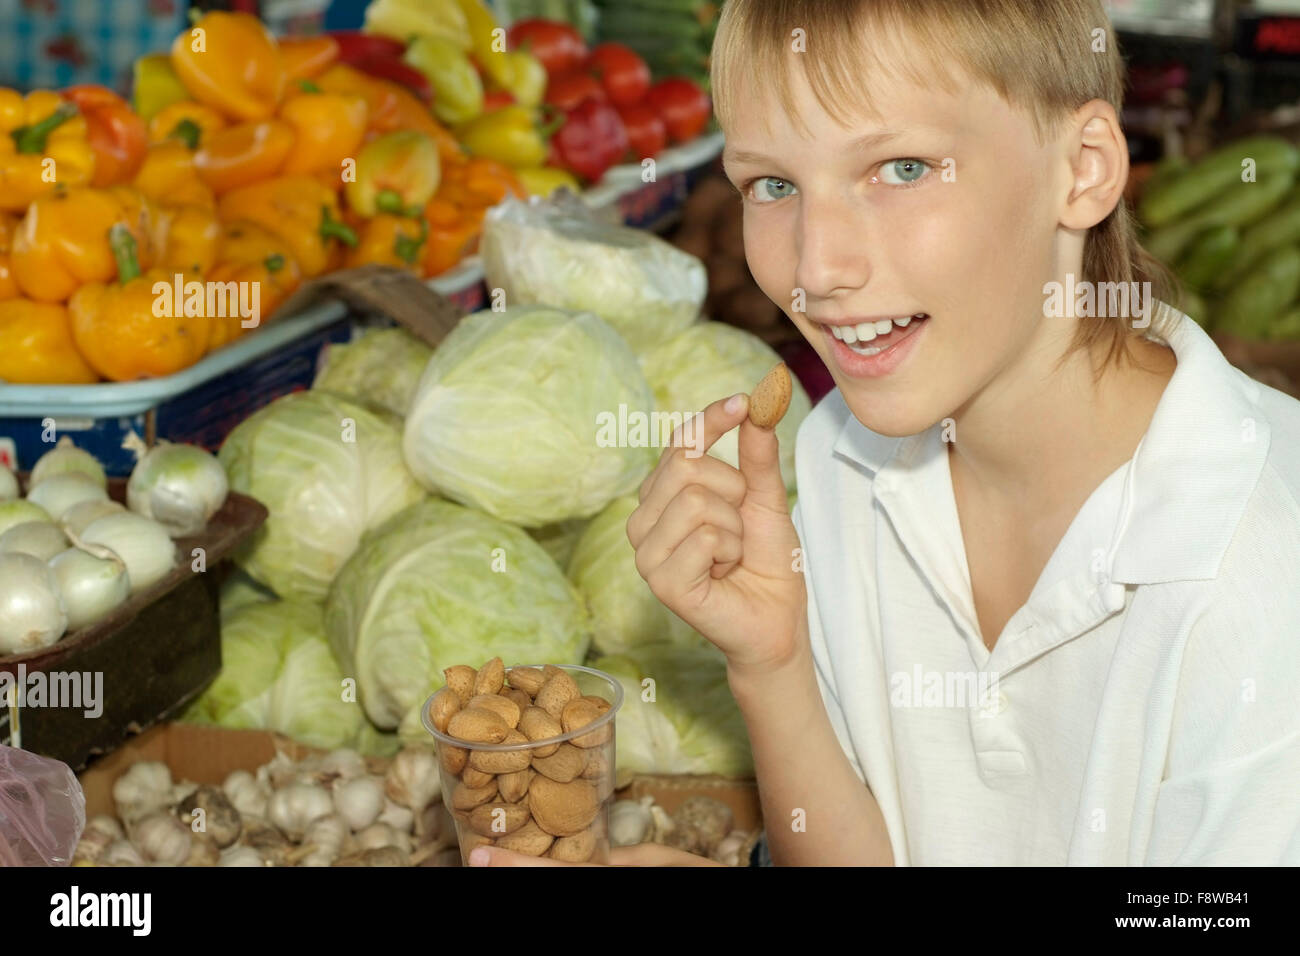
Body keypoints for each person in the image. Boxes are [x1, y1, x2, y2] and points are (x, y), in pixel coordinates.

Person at [471, 0, 1300, 867]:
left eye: (902, 167)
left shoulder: (1260, 563)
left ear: (1084, 169)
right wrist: (771, 664)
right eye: (774, 186)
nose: (818, 266)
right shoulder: (843, 455)